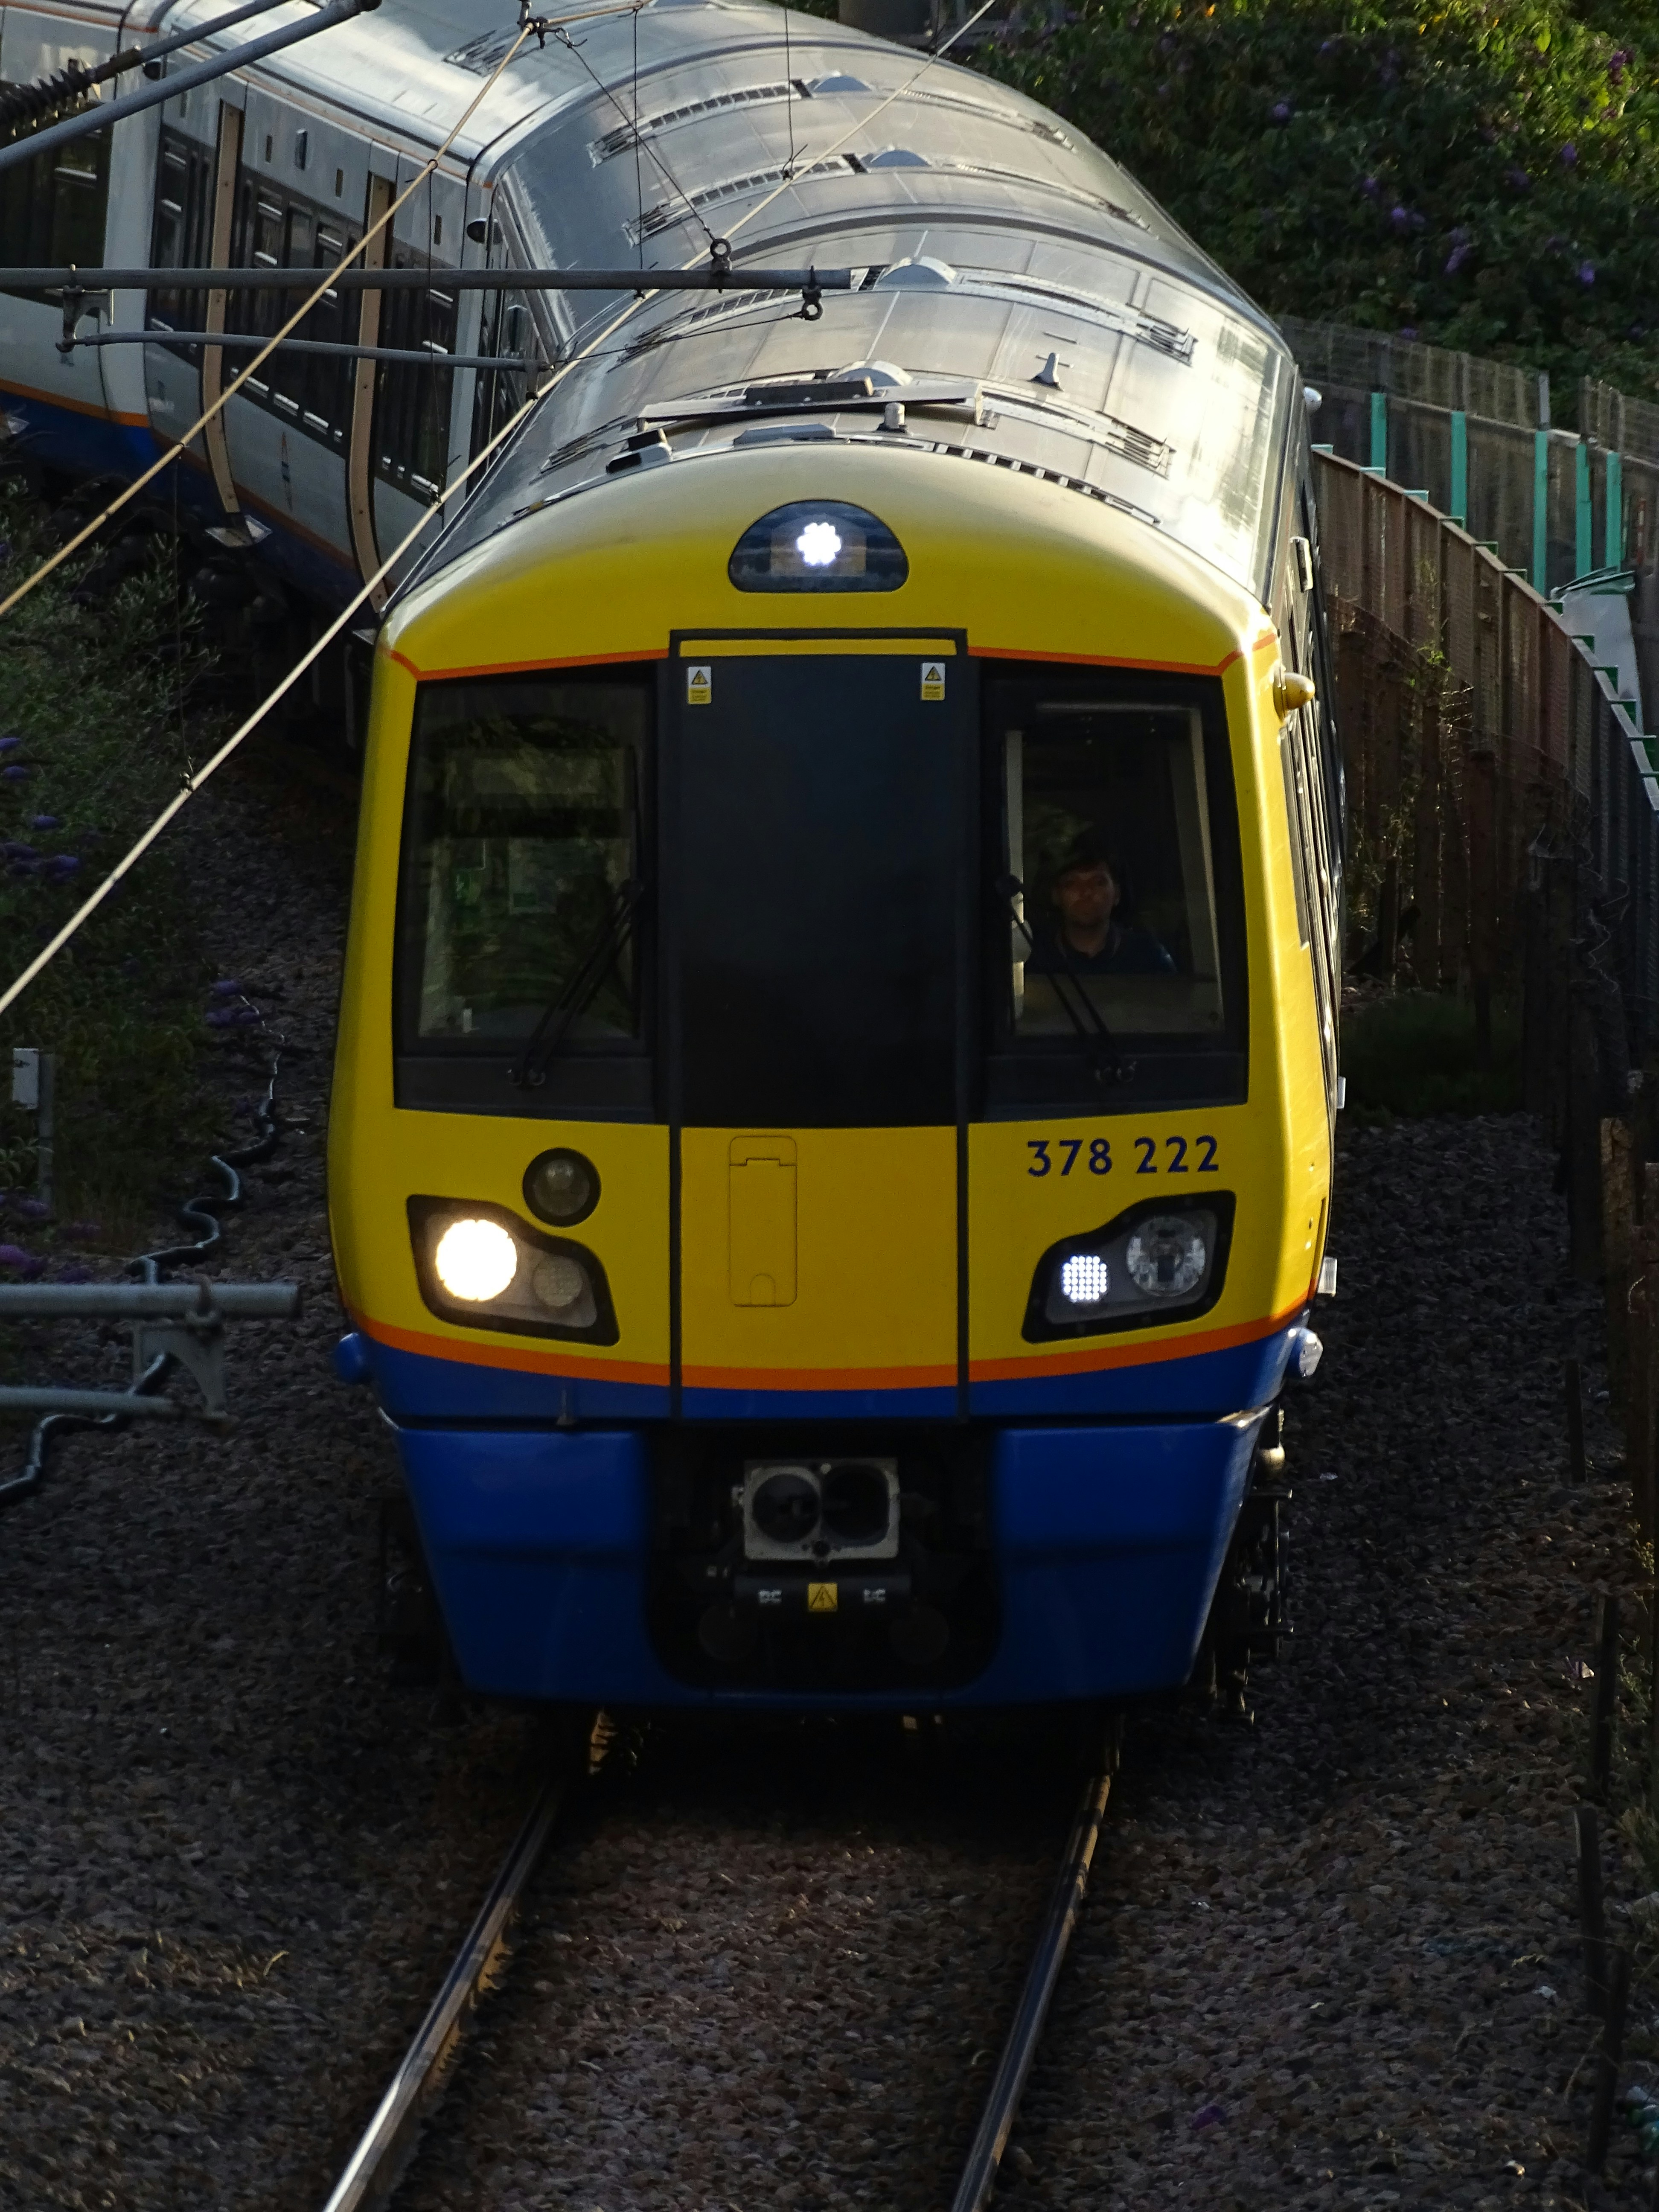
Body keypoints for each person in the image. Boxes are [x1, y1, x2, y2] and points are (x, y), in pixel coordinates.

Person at [1032, 847, 1175, 975]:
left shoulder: (1150, 958)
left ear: (1117, 894)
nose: (1086, 892)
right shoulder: (1034, 959)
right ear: (1056, 896)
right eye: (1072, 883)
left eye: (1098, 883)